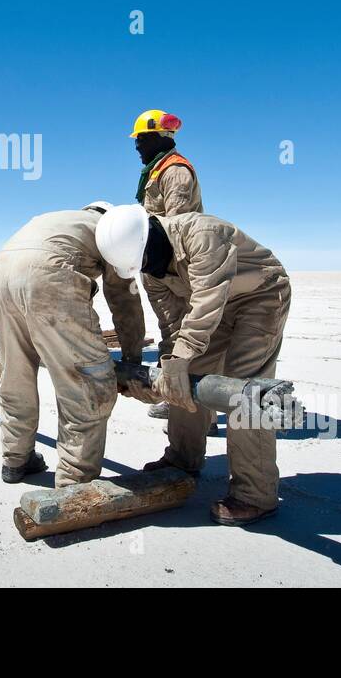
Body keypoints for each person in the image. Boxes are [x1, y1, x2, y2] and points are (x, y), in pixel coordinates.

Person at [96, 204, 291, 526]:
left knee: (243, 390)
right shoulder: (151, 269)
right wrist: (171, 365)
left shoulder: (203, 235)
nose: (148, 269)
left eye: (147, 260)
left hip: (260, 298)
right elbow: (172, 321)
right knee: (187, 379)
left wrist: (178, 359)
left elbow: (206, 301)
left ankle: (255, 495)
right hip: (214, 311)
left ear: (153, 234)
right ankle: (182, 460)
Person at [0, 203, 146, 487]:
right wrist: (132, 358)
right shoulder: (112, 231)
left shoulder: (57, 219)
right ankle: (75, 476)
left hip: (0, 276)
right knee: (88, 380)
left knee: (16, 373)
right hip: (50, 275)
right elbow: (124, 302)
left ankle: (16, 458)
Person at [129, 109, 205, 421]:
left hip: (175, 268)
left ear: (161, 137)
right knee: (169, 330)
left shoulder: (174, 172)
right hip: (159, 267)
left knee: (183, 332)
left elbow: (178, 227)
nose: (136, 146)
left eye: (142, 139)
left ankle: (197, 405)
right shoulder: (156, 170)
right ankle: (176, 395)